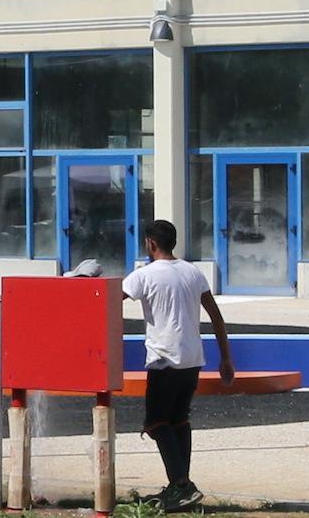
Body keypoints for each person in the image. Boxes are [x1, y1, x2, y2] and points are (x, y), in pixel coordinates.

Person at [122, 219, 235, 513]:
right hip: (192, 360)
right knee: (179, 420)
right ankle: (180, 487)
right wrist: (225, 357)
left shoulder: (142, 276)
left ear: (150, 243)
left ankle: (182, 485)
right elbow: (217, 317)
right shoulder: (193, 272)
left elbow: (110, 298)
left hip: (164, 359)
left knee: (157, 423)